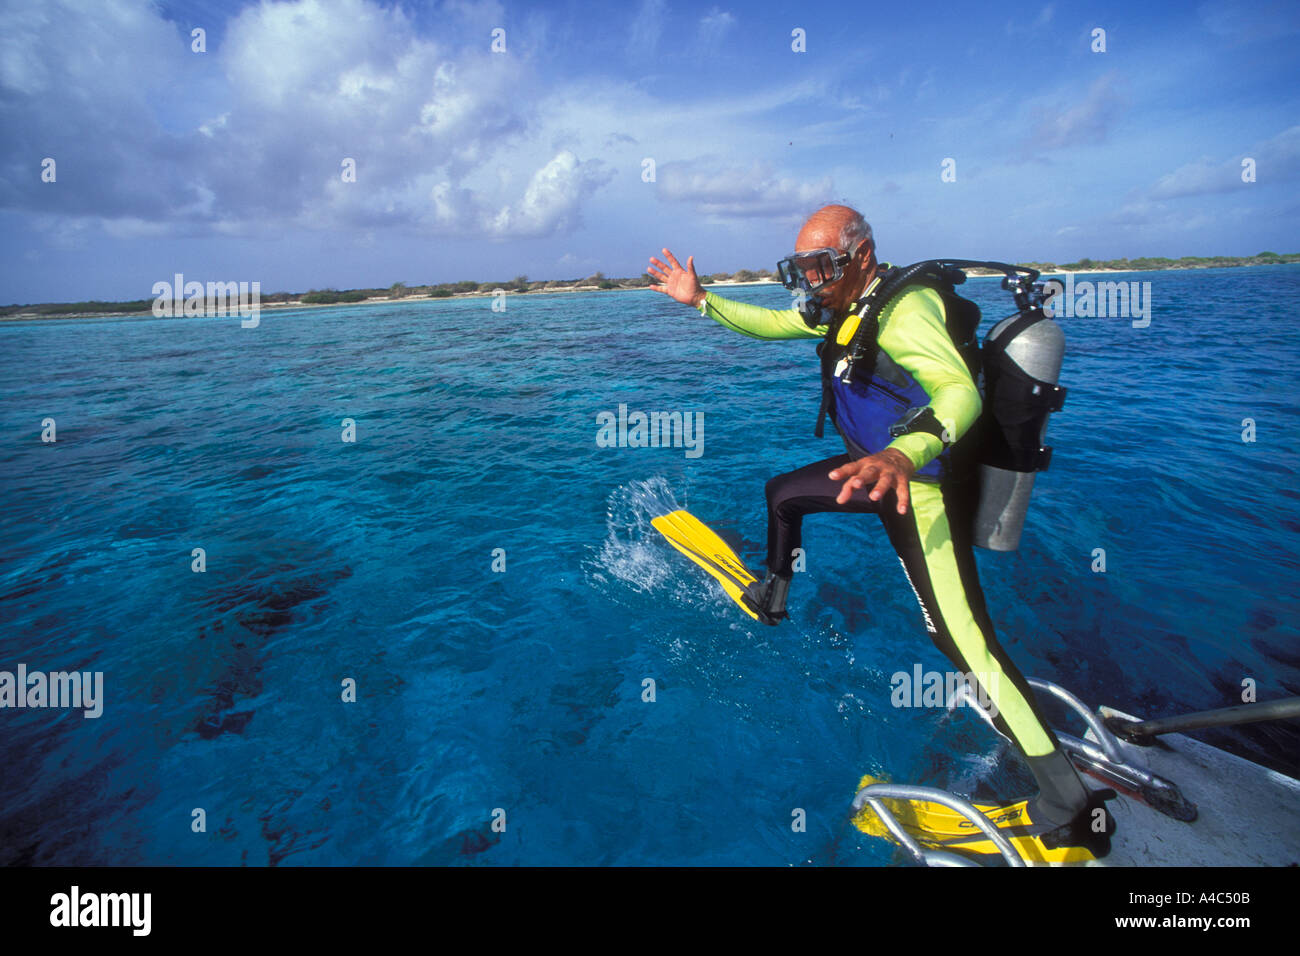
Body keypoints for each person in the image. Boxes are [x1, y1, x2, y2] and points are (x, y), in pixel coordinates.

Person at [646, 204, 1114, 858]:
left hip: (914, 489)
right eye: (801, 268)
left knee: (964, 640)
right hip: (873, 473)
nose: (809, 282)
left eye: (820, 267)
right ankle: (772, 593)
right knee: (783, 495)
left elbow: (958, 393)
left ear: (860, 255)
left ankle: (1067, 799)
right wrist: (702, 302)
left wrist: (902, 454)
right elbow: (775, 322)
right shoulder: (847, 304)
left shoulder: (906, 308)